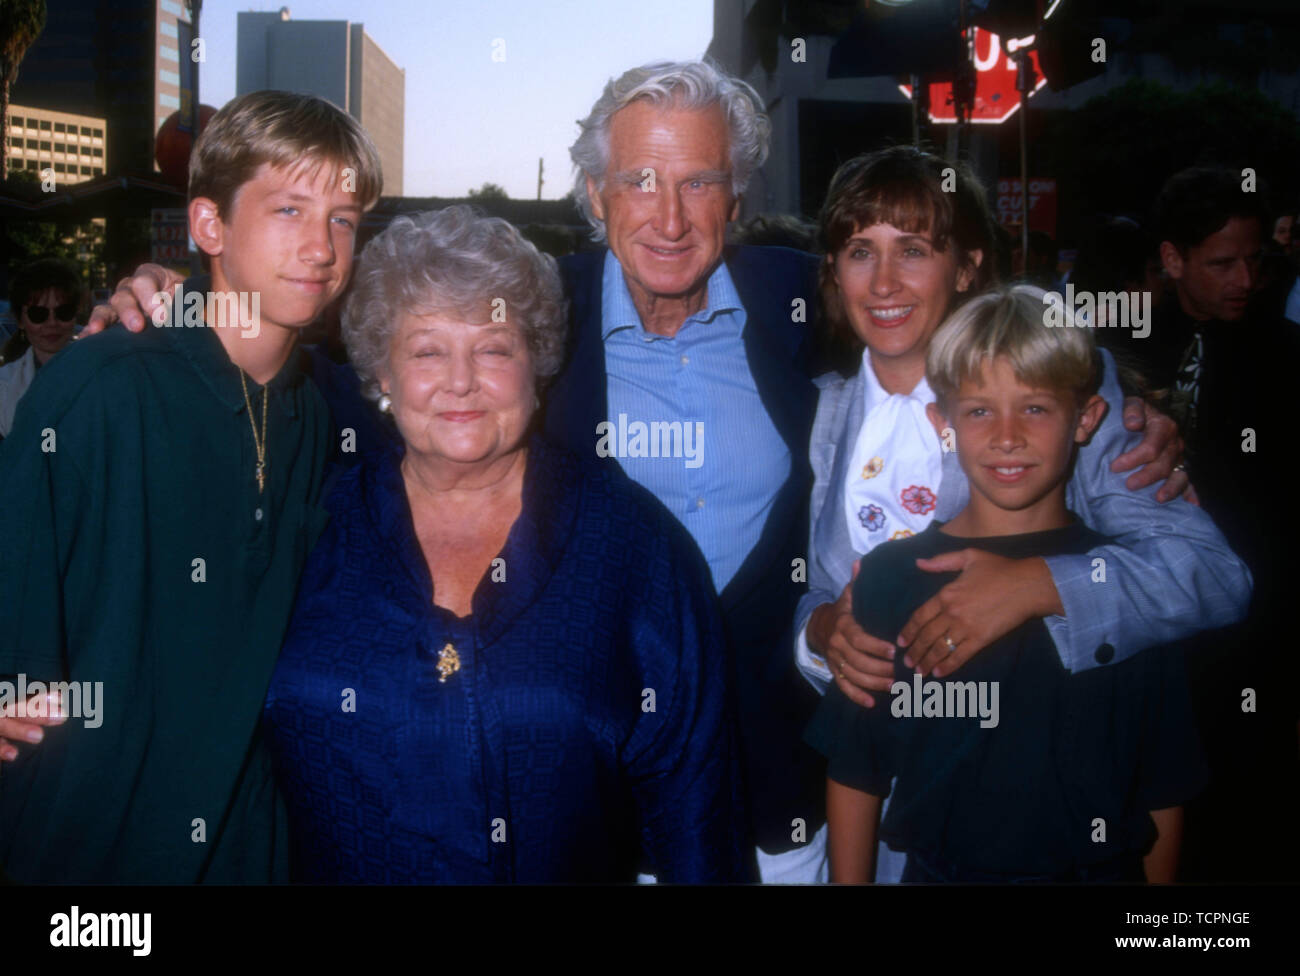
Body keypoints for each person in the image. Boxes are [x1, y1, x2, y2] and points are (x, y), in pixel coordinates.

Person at [793, 147, 1252, 883]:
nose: (883, 282)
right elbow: (812, 588)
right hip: (884, 801)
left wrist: (1041, 583)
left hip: (1046, 805)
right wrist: (819, 632)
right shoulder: (819, 407)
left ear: (969, 266)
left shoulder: (1063, 386)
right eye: (859, 251)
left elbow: (1212, 576)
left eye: (913, 250)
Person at [262, 207, 748, 883]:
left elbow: (696, 813)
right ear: (380, 375)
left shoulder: (630, 542)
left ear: (536, 365)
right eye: (428, 349)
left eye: (493, 348)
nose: (461, 380)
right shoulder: (306, 527)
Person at [0, 90, 382, 882]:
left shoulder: (325, 412)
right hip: (88, 852)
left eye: (343, 219)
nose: (321, 247)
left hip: (251, 847)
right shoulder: (99, 388)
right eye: (288, 209)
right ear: (209, 226)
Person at [543, 59, 826, 881]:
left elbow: (969, 333)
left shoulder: (801, 300)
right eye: (639, 180)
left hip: (781, 789)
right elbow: (364, 358)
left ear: (735, 198)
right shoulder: (533, 313)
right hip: (602, 800)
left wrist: (1118, 396)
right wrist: (181, 308)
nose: (670, 217)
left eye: (699, 182)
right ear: (595, 193)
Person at [1149, 166, 1299, 881]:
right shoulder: (1120, 350)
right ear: (1173, 259)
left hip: (1257, 633)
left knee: (1244, 812)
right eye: (1222, 263)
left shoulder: (1286, 358)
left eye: (1255, 261)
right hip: (1150, 627)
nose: (1245, 278)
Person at [0, 258, 83, 438]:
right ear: (20, 320)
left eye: (63, 312)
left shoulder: (99, 373)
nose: (52, 323)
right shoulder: (4, 386)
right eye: (38, 314)